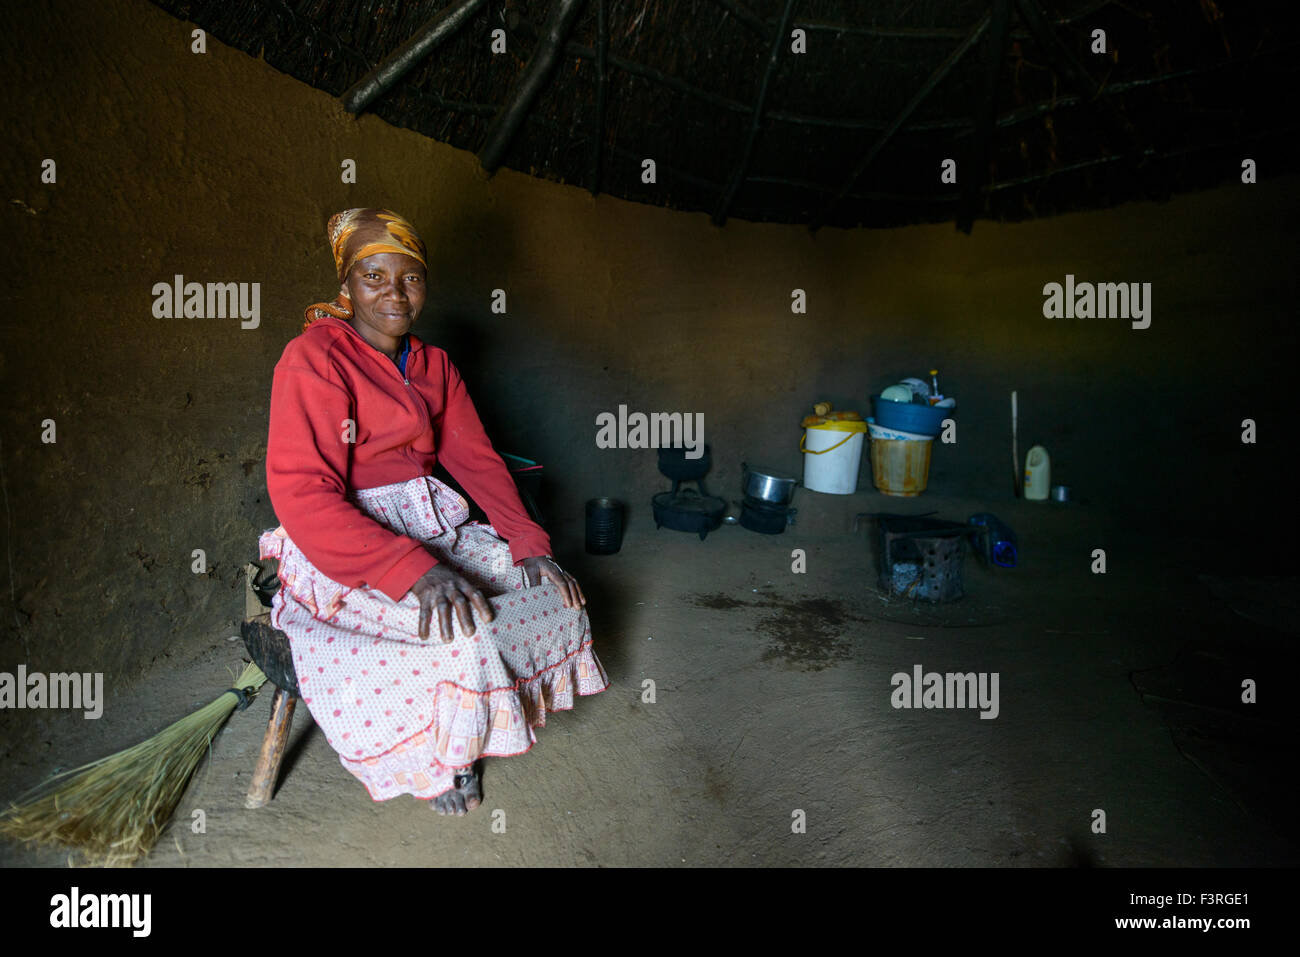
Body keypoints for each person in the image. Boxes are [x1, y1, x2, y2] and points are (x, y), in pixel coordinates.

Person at [259, 207, 608, 816]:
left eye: (410, 278)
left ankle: (472, 723)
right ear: (346, 286)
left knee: (555, 597)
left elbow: (476, 462)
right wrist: (415, 571)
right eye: (374, 276)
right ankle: (447, 760)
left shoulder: (434, 365)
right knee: (459, 635)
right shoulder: (314, 357)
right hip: (347, 542)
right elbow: (304, 493)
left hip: (430, 523)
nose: (395, 292)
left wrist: (531, 544)